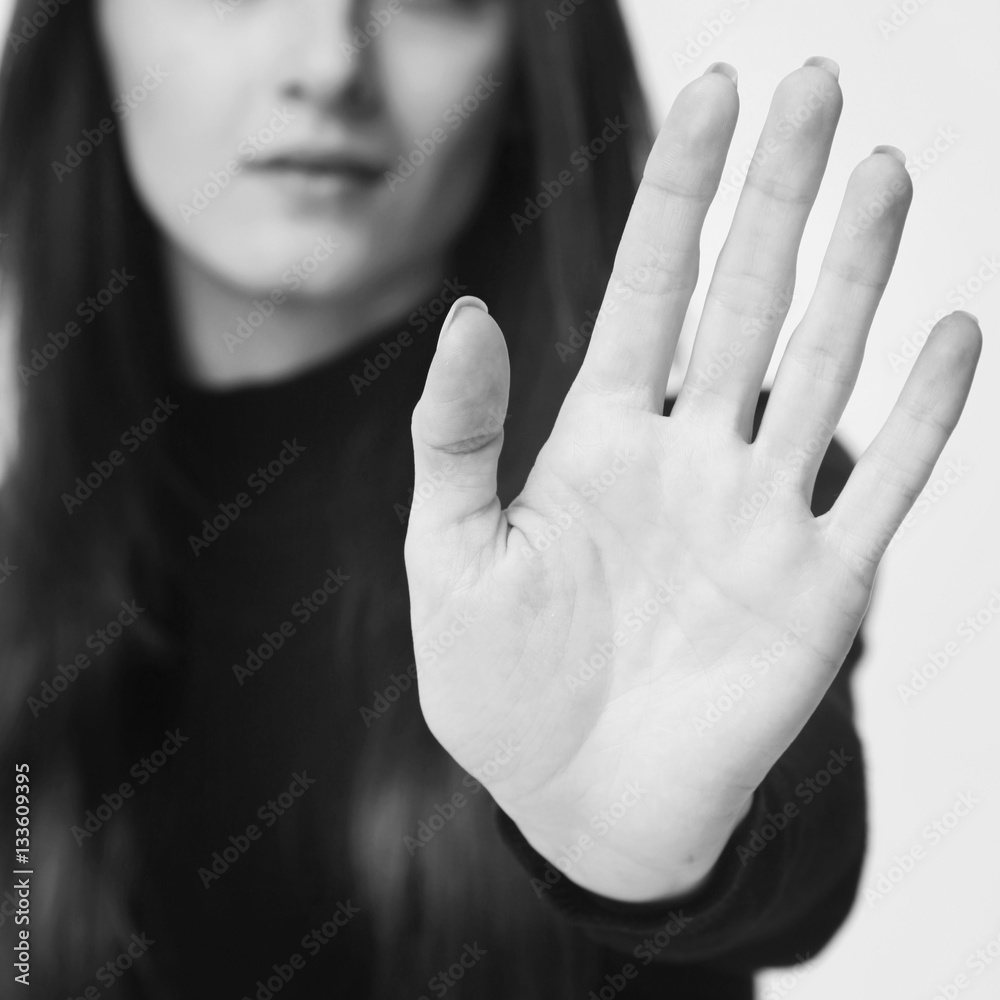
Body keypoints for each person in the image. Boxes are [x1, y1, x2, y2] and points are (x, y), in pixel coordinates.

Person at [0, 0, 980, 997]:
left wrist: (655, 856)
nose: (330, 63)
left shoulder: (697, 497)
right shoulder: (22, 567)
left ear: (530, 61)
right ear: (83, 32)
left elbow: (798, 861)